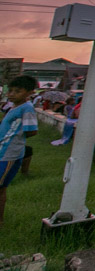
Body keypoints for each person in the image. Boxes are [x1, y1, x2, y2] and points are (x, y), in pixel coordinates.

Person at [0, 75, 39, 226]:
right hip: (3, 150)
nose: (12, 94)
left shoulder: (27, 109)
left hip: (9, 153)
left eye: (17, 91)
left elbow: (32, 131)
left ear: (29, 92)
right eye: (10, 91)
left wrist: (13, 138)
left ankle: (0, 221)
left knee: (1, 188)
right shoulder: (14, 107)